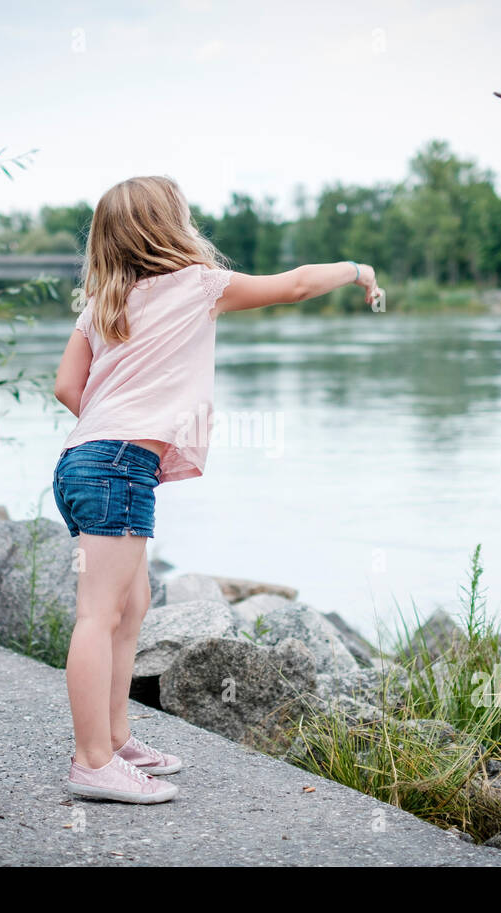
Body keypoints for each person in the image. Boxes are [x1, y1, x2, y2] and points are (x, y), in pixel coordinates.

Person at [52, 175, 382, 803]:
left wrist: (112, 420)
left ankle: (117, 740)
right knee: (99, 613)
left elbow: (68, 387)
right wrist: (358, 268)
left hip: (83, 462)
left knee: (132, 606)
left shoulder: (101, 304)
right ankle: (91, 761)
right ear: (171, 226)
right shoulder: (197, 286)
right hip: (117, 465)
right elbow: (298, 284)